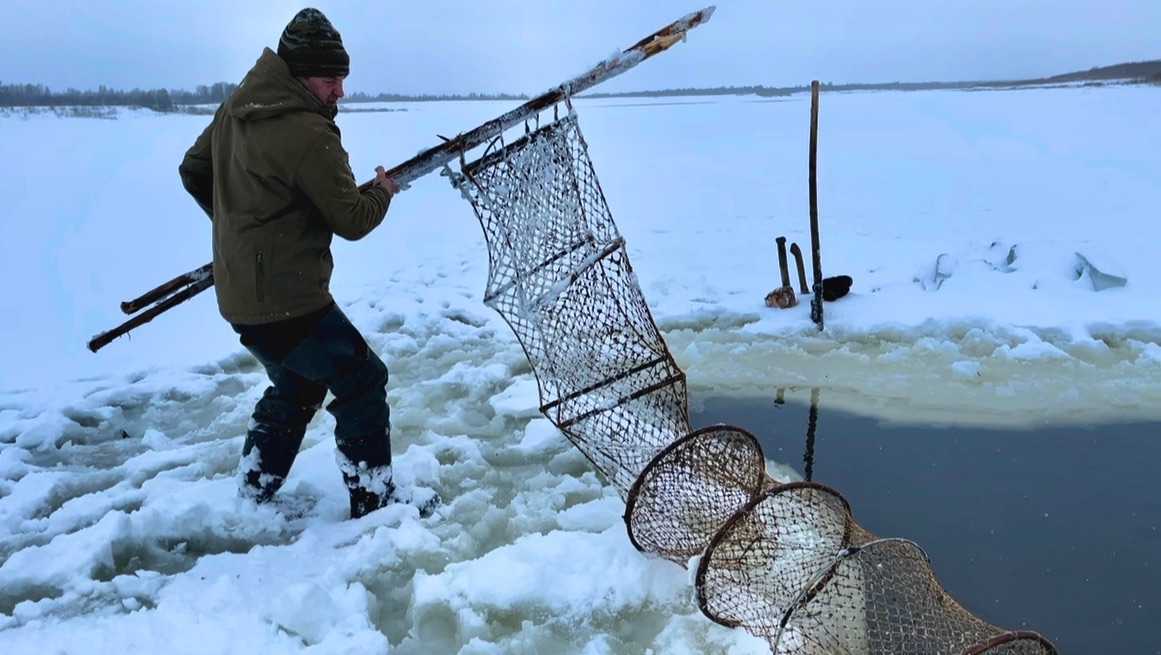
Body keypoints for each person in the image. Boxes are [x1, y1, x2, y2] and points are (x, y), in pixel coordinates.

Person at [177, 7, 439, 519]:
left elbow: (194, 170)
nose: (339, 91)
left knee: (297, 382)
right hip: (288, 298)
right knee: (363, 380)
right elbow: (353, 219)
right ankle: (376, 503)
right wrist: (384, 190)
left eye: (343, 78)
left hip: (239, 294)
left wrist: (244, 231)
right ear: (300, 76)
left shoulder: (238, 106)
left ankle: (253, 494)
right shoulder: (309, 132)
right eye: (329, 80)